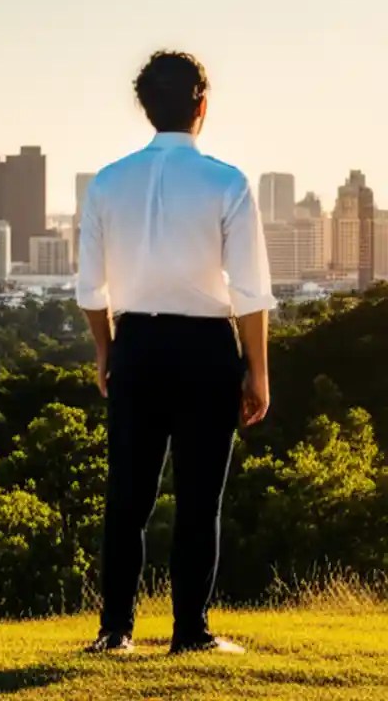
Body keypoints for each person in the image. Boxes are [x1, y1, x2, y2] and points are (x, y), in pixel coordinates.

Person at [77, 50, 274, 655]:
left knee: (127, 497)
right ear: (202, 106)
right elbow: (249, 293)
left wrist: (107, 353)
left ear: (146, 108)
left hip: (135, 342)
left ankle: (115, 631)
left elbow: (91, 288)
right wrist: (258, 373)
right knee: (198, 499)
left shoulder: (107, 183)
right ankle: (191, 632)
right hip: (207, 351)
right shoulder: (228, 182)